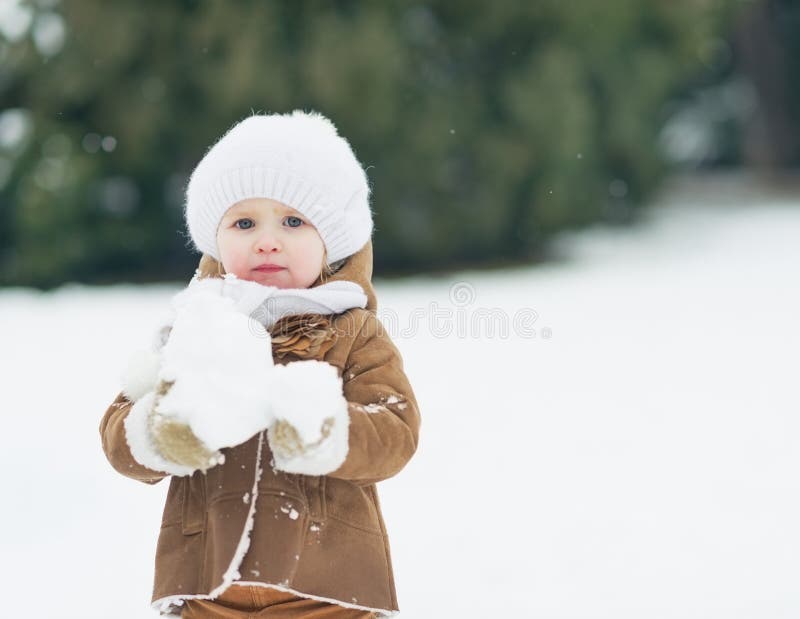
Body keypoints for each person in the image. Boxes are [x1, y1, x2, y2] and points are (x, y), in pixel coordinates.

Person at [99, 110, 421, 618]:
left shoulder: (353, 332)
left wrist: (325, 431)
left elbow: (396, 429)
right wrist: (161, 431)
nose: (267, 240)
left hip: (326, 590)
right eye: (244, 223)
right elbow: (120, 436)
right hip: (208, 591)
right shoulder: (193, 325)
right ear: (215, 238)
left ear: (331, 241)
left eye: (293, 221)